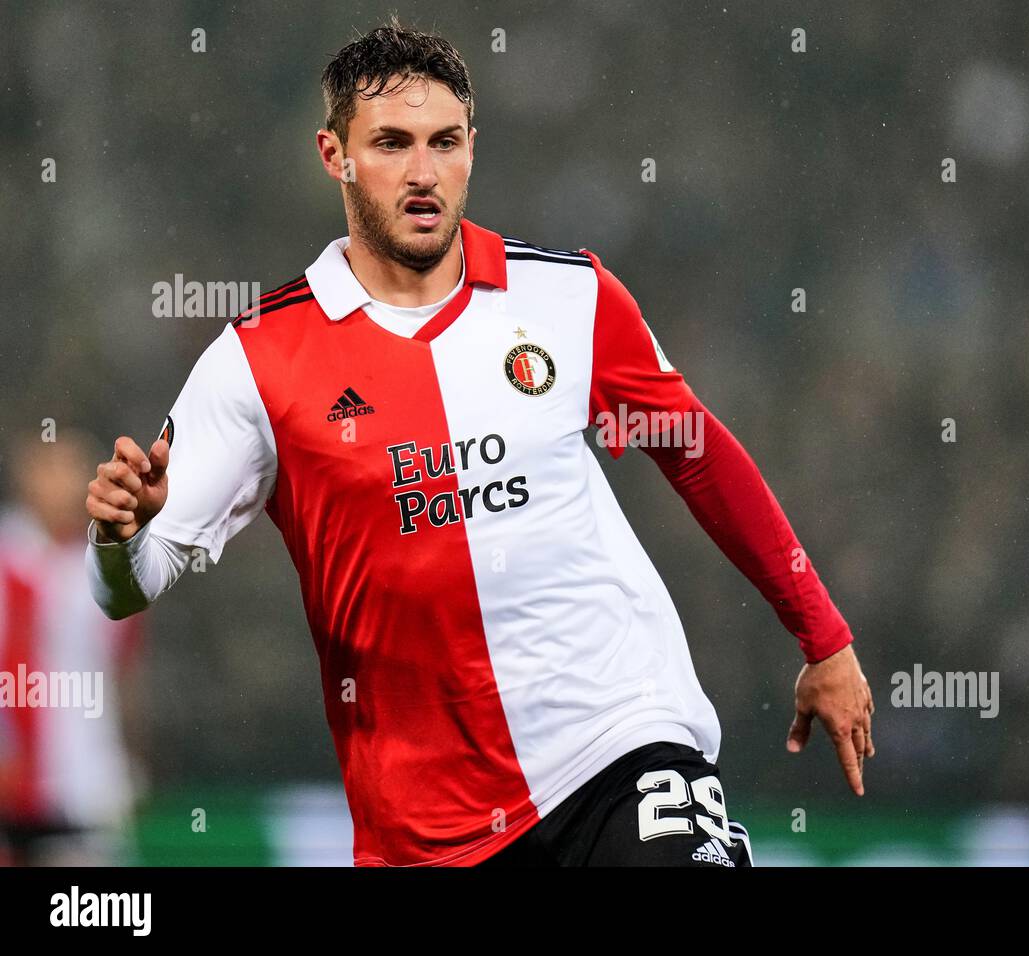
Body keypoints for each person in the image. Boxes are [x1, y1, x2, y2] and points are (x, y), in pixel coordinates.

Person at [84, 19, 874, 867]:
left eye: (445, 142)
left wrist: (824, 638)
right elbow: (127, 589)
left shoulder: (568, 298)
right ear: (334, 155)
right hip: (426, 832)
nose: (423, 173)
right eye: (391, 143)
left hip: (618, 743)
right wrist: (119, 537)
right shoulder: (256, 360)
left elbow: (697, 456)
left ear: (472, 148)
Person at [1, 429, 143, 865]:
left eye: (69, 468)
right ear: (26, 475)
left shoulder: (104, 562)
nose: (59, 481)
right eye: (48, 467)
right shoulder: (10, 556)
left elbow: (124, 669)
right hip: (12, 787)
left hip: (85, 789)